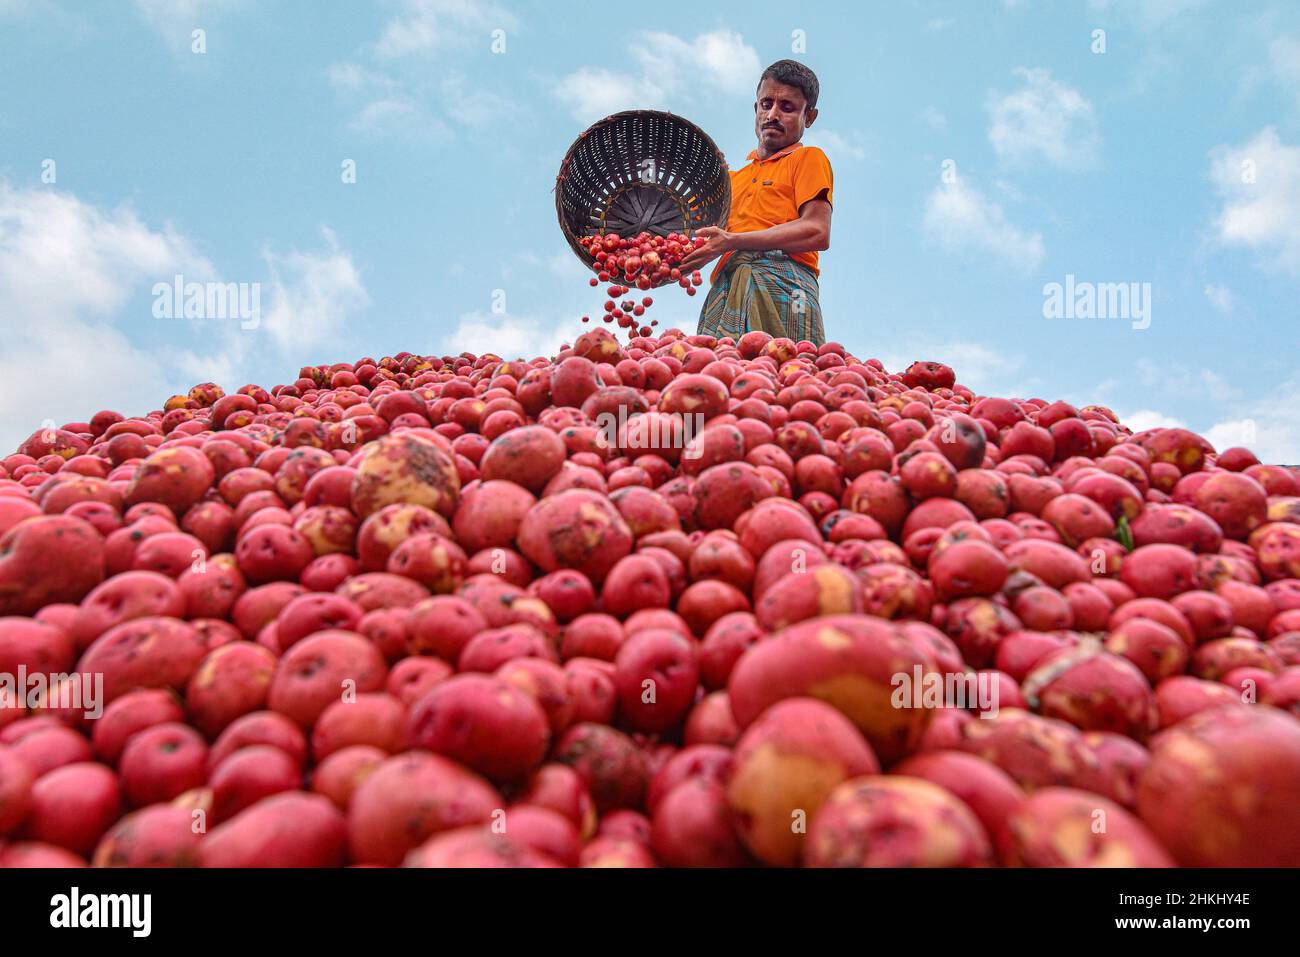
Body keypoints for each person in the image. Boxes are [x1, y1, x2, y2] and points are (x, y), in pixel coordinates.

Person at [681, 59, 833, 346]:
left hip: (784, 287)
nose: (773, 114)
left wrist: (731, 240)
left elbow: (817, 231)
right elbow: (683, 230)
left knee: (785, 382)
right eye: (766, 104)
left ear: (809, 117)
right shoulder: (733, 180)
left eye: (787, 107)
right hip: (727, 288)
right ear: (756, 109)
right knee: (719, 379)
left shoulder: (808, 158)